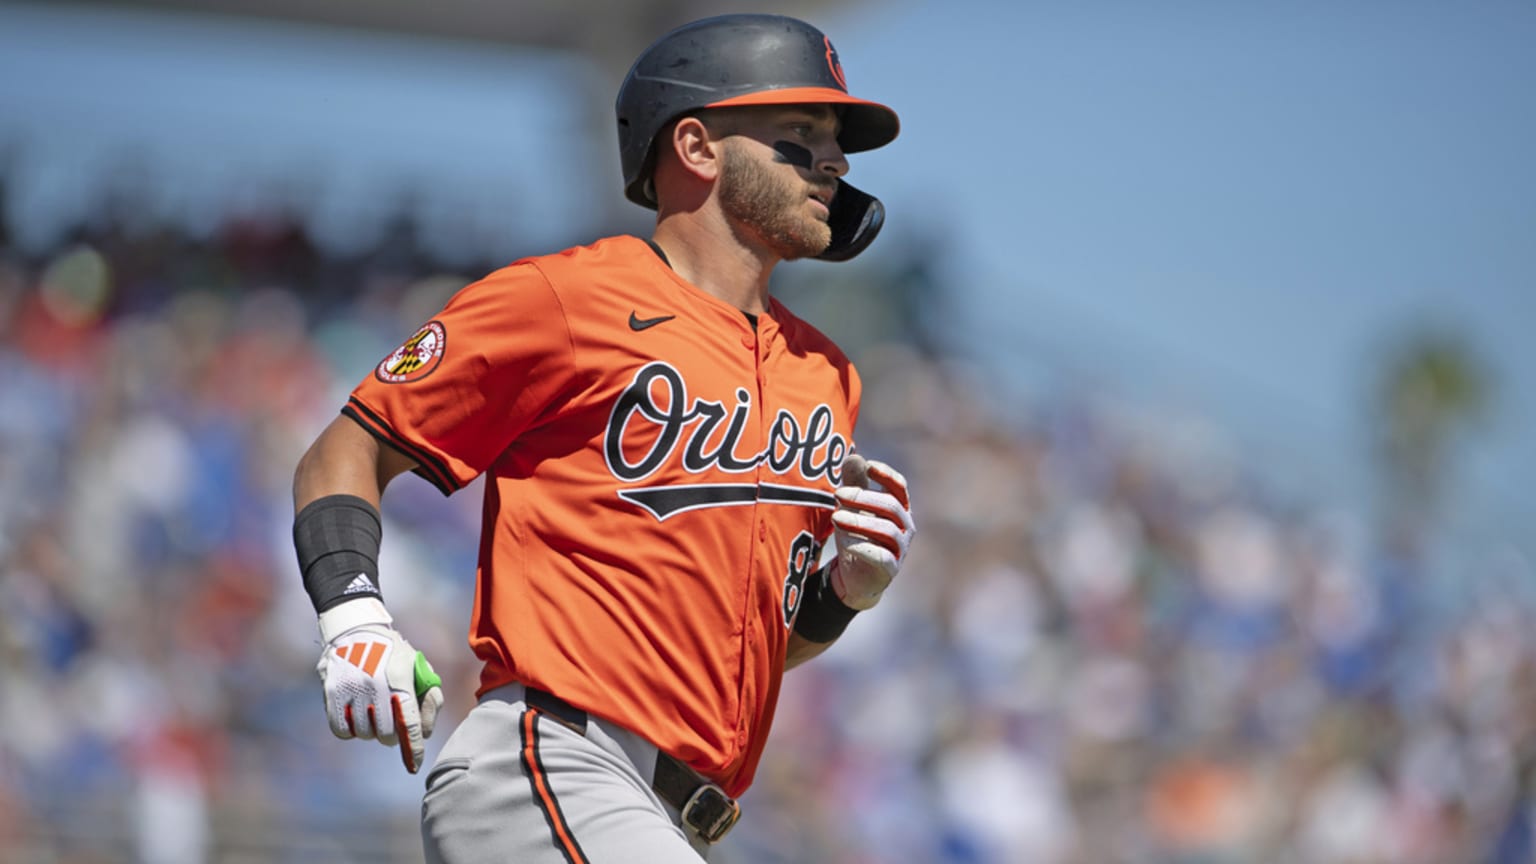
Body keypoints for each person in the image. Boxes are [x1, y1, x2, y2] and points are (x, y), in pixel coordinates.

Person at [291, 13, 915, 862]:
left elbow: (753, 646)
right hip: (551, 767)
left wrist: (841, 593)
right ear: (696, 146)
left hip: (670, 815)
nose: (835, 163)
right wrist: (353, 612)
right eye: (800, 135)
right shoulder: (564, 299)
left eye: (834, 140)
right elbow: (348, 449)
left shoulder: (826, 374)